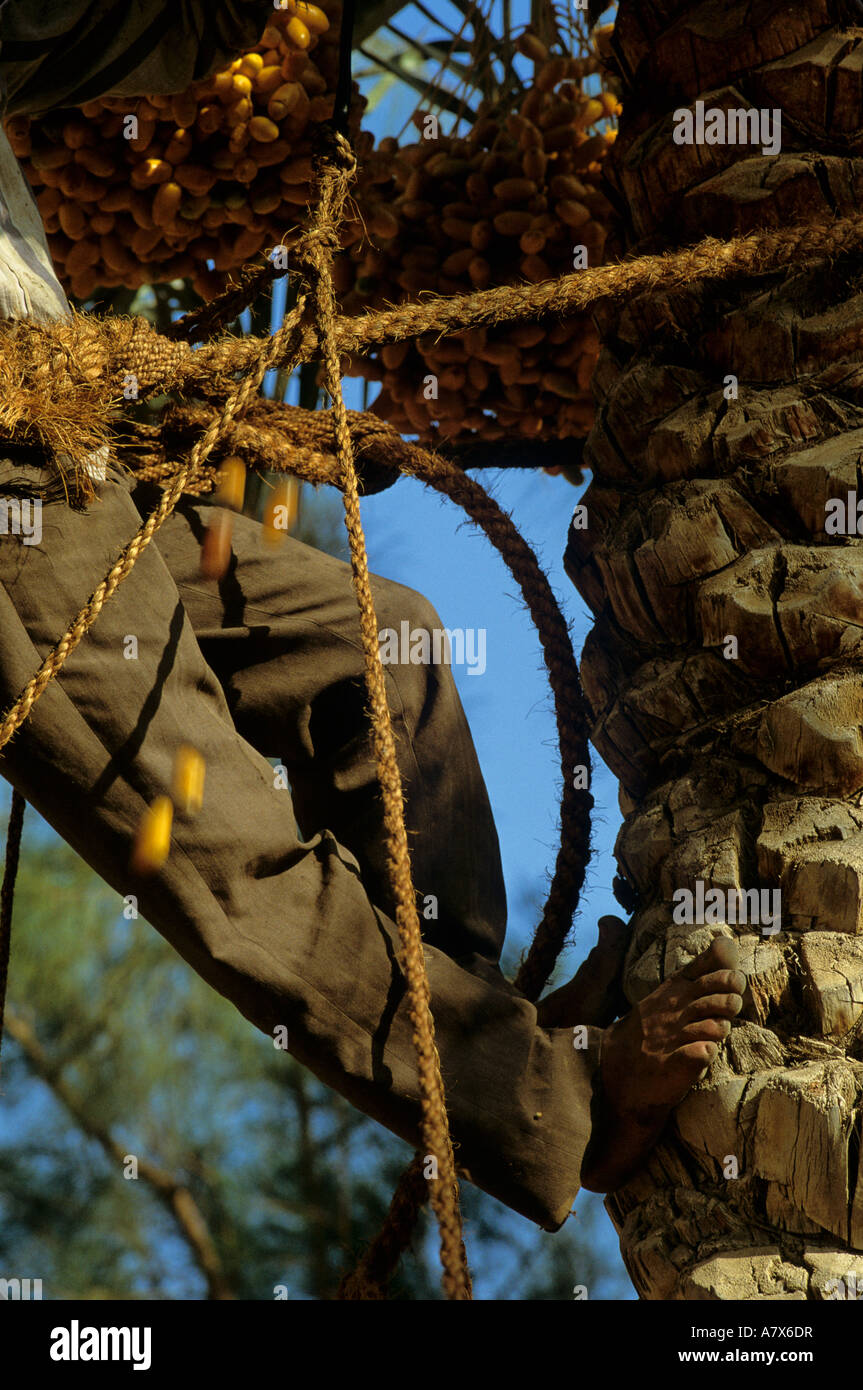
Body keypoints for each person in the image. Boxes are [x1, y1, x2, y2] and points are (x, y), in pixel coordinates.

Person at [0, 0, 746, 1233]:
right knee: (220, 841)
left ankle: (491, 1035)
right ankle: (563, 1115)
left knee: (376, 640)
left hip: (73, 449)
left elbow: (163, 26)